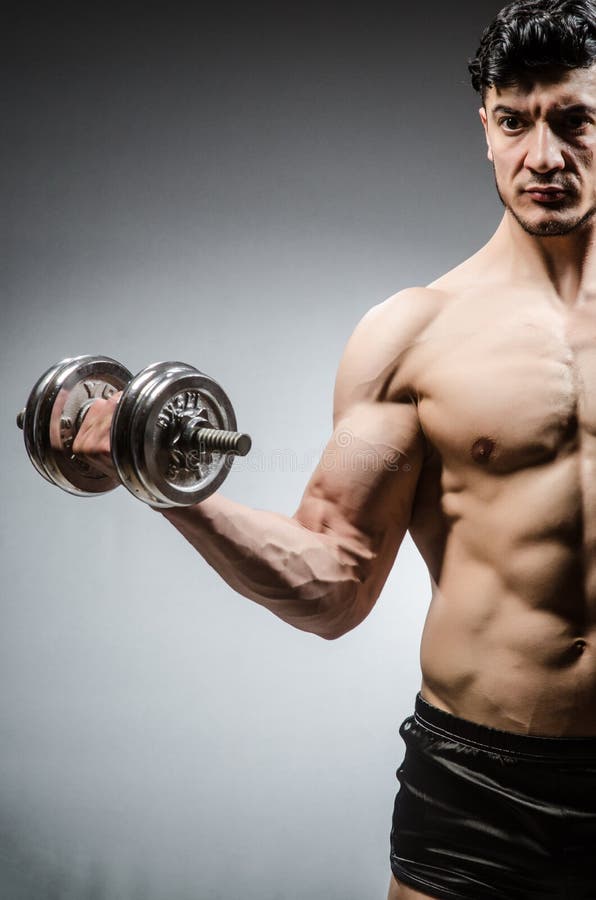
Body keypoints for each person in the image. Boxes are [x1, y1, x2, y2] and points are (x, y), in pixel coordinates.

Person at [70, 1, 596, 896]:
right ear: (485, 127)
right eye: (515, 122)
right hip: (483, 790)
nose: (541, 157)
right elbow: (334, 586)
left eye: (575, 120)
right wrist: (157, 479)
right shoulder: (412, 337)